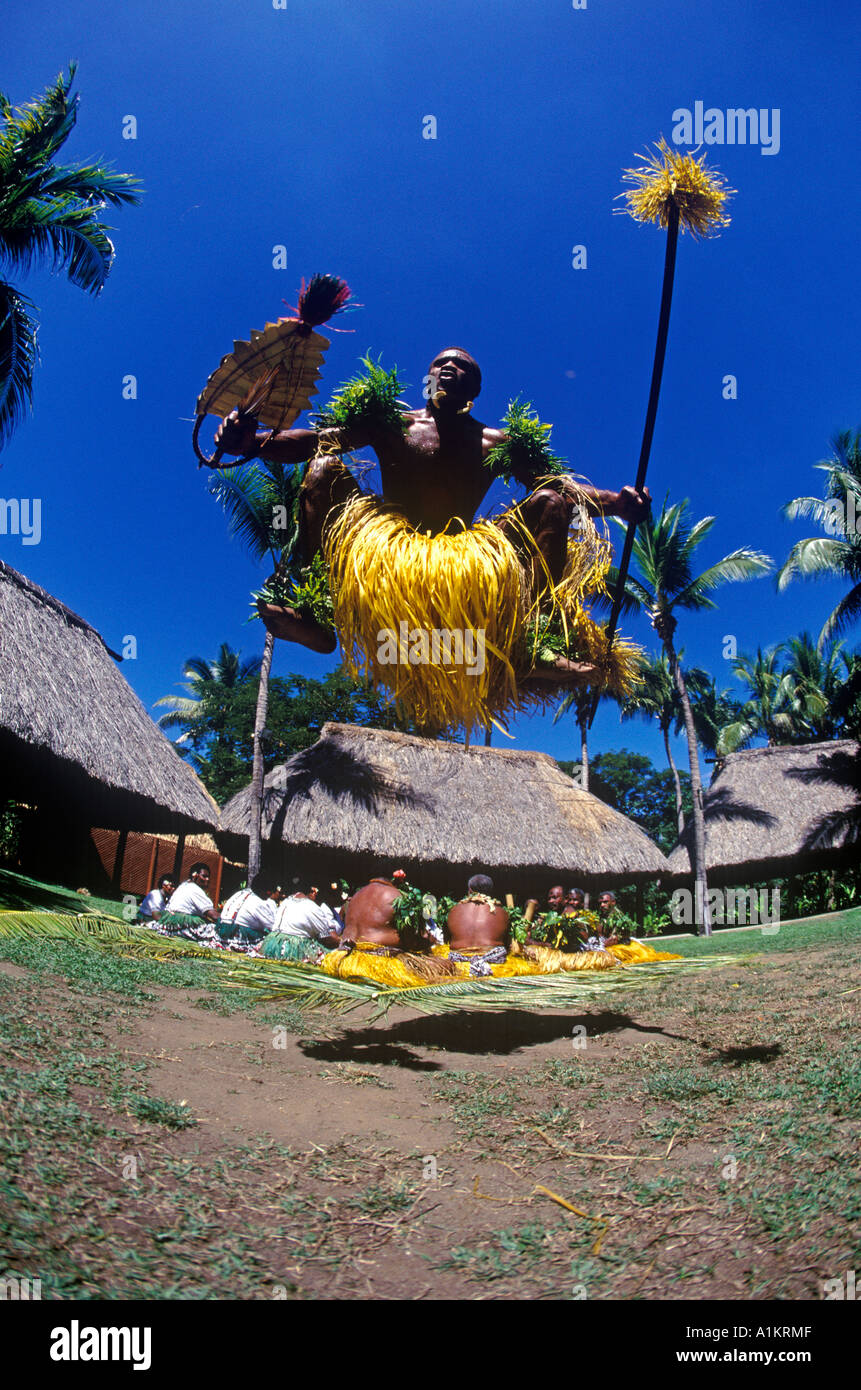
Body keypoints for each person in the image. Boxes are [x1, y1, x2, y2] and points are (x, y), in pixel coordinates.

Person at [213, 347, 649, 690]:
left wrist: (617, 501)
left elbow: (563, 485)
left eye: (460, 367)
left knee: (552, 501)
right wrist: (254, 443)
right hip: (387, 547)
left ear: (473, 387)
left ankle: (535, 642)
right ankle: (320, 617)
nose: (447, 369)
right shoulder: (391, 423)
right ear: (426, 376)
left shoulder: (492, 440)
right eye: (440, 363)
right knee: (323, 466)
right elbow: (315, 441)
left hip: (463, 553)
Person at [217, 873, 282, 951]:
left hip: (220, 930)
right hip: (236, 935)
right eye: (270, 893)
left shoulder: (241, 893)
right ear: (267, 892)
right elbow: (273, 927)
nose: (269, 896)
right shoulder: (258, 902)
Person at [157, 862, 220, 941]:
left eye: (208, 877)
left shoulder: (183, 885)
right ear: (195, 876)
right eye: (204, 876)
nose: (207, 879)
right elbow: (213, 915)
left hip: (168, 926)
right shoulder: (195, 889)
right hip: (181, 925)